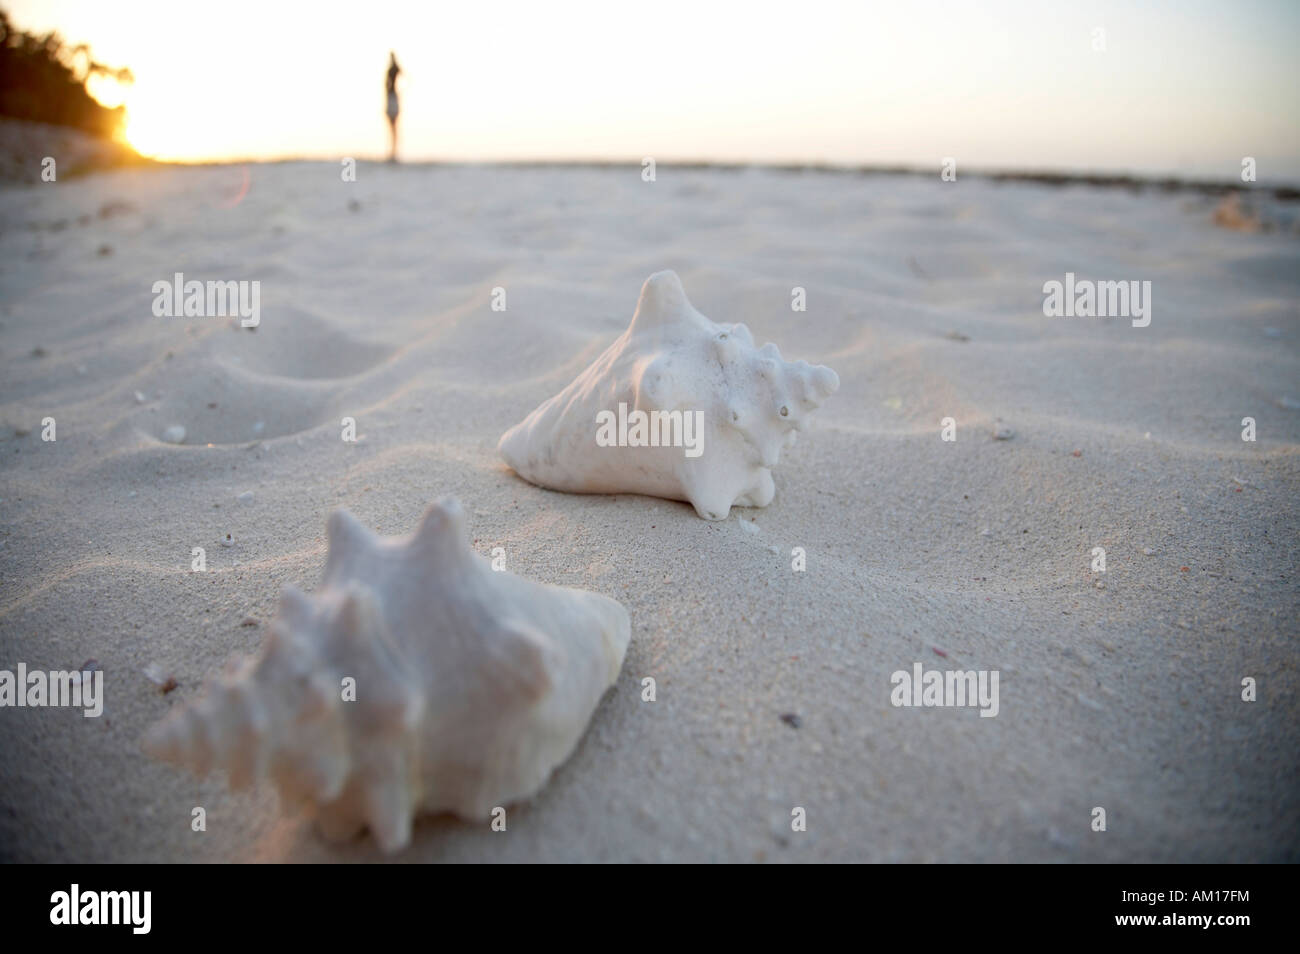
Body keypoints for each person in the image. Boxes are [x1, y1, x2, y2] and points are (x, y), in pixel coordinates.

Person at [385, 52, 401, 162]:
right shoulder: (393, 68)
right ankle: (393, 151)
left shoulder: (393, 69)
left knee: (393, 127)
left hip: (392, 97)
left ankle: (394, 152)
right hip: (391, 97)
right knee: (393, 127)